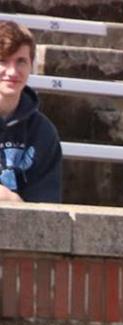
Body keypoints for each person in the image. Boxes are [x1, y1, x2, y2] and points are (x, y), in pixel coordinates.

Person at [0, 21, 62, 205]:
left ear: (31, 66)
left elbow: (46, 208)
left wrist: (13, 203)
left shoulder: (43, 132)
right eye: (3, 61)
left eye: (21, 61)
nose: (12, 72)